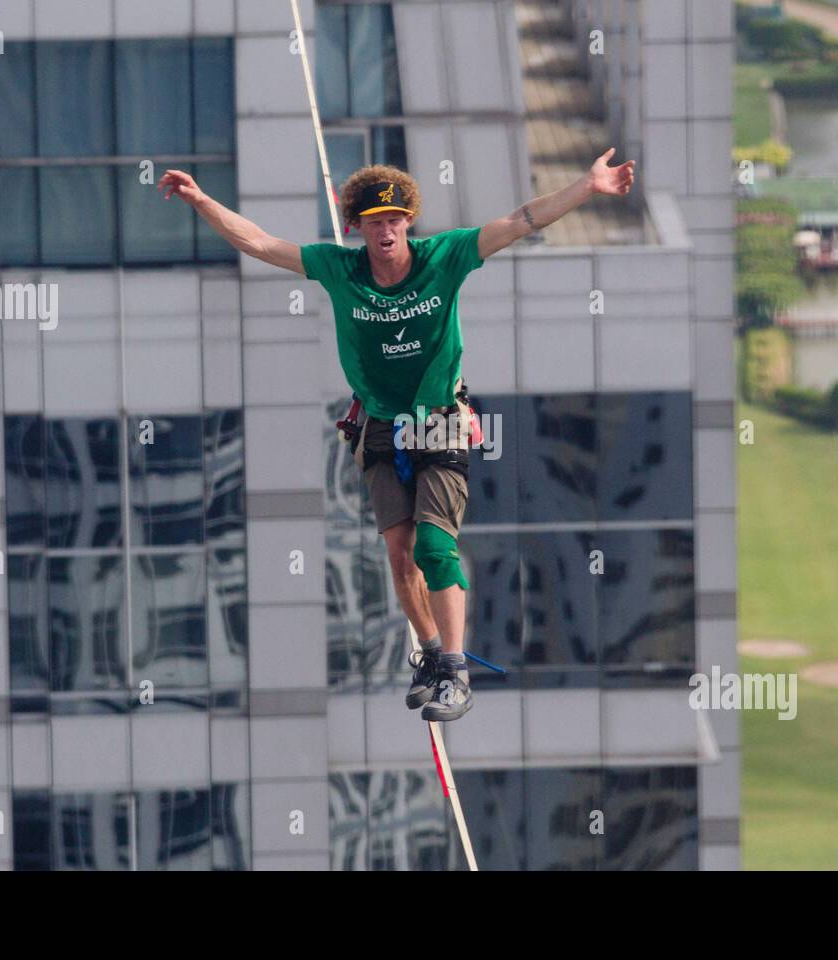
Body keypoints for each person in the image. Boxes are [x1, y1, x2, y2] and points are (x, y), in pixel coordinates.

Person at [158, 149, 635, 721]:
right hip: (379, 424)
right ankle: (431, 652)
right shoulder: (340, 268)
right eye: (373, 222)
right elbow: (259, 243)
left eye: (394, 220)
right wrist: (200, 200)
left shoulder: (446, 256)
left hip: (440, 419)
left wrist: (585, 187)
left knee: (435, 547)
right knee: (398, 554)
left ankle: (456, 672)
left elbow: (521, 220)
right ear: (355, 227)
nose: (385, 231)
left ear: (407, 221)